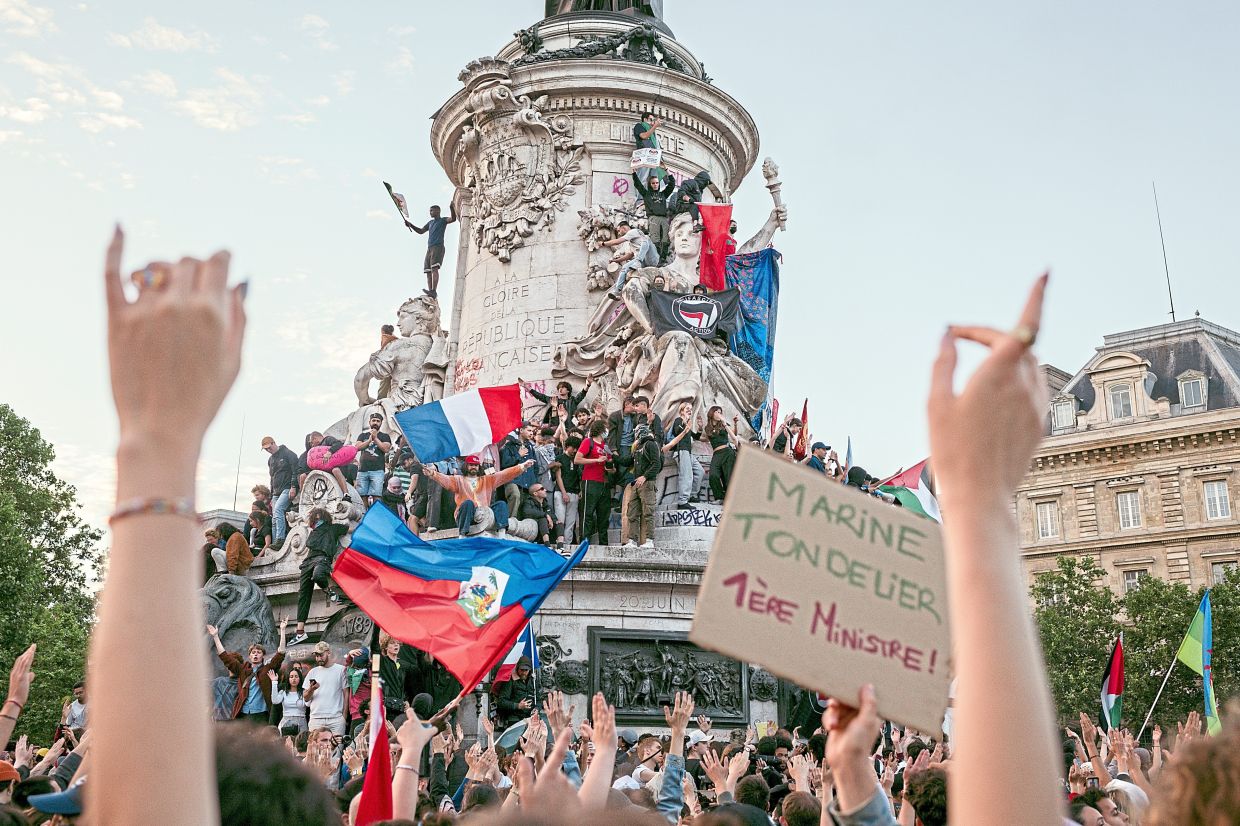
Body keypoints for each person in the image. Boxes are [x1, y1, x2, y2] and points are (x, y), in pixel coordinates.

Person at [423, 455, 533, 536]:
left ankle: (501, 533)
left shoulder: (488, 480)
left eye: (476, 465)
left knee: (501, 504)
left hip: (484, 514)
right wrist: (433, 474)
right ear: (466, 466)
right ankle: (462, 534)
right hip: (466, 515)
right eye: (471, 465)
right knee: (468, 503)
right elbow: (446, 480)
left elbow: (505, 474)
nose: (473, 467)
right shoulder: (458, 480)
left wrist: (522, 467)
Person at [208, 617, 288, 723]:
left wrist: (282, 630)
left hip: (262, 714)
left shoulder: (268, 669)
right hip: (244, 713)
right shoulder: (243, 670)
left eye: (258, 652)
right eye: (253, 652)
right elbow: (225, 657)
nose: (255, 654)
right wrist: (215, 637)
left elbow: (281, 653)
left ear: (263, 656)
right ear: (249, 656)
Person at [289, 507, 347, 647]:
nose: (312, 518)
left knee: (318, 575)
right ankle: (300, 631)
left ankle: (329, 592)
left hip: (322, 558)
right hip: (308, 561)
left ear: (320, 515)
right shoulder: (314, 531)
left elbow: (347, 528)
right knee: (303, 594)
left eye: (314, 515)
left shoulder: (333, 528)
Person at [405, 201, 458, 298]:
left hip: (438, 247)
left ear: (438, 211)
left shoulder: (442, 220)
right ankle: (430, 291)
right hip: (429, 248)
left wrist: (452, 208)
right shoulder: (430, 223)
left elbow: (453, 219)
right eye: (430, 211)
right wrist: (410, 225)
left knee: (434, 268)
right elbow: (421, 231)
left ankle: (434, 290)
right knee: (428, 270)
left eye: (432, 211)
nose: (430, 212)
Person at [576, 419, 613, 546]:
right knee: (588, 513)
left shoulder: (606, 446)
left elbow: (611, 469)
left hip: (604, 483)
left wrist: (610, 466)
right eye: (605, 428)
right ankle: (584, 542)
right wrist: (596, 460)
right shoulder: (588, 442)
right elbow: (577, 459)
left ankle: (604, 543)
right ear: (600, 429)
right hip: (590, 481)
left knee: (603, 515)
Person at [625, 423, 661, 549]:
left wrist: (645, 476)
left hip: (647, 483)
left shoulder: (651, 444)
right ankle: (632, 540)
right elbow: (628, 462)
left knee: (648, 512)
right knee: (632, 512)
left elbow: (657, 464)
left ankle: (650, 540)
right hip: (637, 483)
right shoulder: (637, 447)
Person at [603, 220, 660, 298]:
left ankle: (638, 262)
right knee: (624, 268)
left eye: (619, 231)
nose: (619, 233)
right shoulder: (631, 242)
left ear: (623, 228)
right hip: (642, 261)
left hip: (651, 258)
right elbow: (629, 255)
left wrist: (603, 243)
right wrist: (615, 260)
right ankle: (617, 291)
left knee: (646, 239)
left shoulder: (634, 231)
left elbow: (616, 242)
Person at [261, 436, 299, 548]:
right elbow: (272, 478)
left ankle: (280, 539)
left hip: (287, 488)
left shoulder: (288, 453)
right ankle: (274, 543)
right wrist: (271, 496)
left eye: (269, 447)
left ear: (273, 443)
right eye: (266, 449)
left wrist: (293, 486)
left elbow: (295, 470)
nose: (268, 450)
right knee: (274, 518)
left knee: (278, 510)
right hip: (276, 492)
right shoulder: (270, 460)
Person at [303, 641, 349, 736]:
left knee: (338, 749)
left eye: (321, 655)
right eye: (316, 656)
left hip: (336, 718)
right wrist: (311, 689)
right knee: (315, 749)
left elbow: (346, 694)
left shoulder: (341, 670)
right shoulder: (312, 672)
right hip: (316, 718)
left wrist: (344, 716)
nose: (319, 658)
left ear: (328, 652)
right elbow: (305, 698)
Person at [664, 401, 703, 509]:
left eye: (691, 409)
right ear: (681, 411)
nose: (690, 411)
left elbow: (696, 437)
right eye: (687, 409)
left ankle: (692, 495)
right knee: (686, 476)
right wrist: (685, 422)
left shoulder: (687, 424)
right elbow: (677, 431)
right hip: (681, 451)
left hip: (688, 452)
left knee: (700, 471)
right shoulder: (678, 420)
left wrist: (699, 428)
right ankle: (682, 501)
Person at [632, 167, 676, 260]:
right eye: (653, 183)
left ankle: (663, 258)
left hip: (664, 218)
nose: (655, 185)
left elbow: (672, 184)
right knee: (655, 239)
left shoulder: (663, 194)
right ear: (650, 184)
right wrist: (634, 173)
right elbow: (638, 184)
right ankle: (655, 258)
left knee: (665, 239)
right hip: (653, 218)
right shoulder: (646, 194)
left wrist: (666, 170)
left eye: (656, 183)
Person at [353, 412, 392, 505]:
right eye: (373, 420)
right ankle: (364, 516)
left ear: (381, 423)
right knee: (362, 496)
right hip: (363, 470)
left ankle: (375, 516)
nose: (375, 422)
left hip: (378, 470)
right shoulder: (362, 435)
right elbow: (357, 447)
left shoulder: (385, 436)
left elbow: (386, 448)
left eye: (378, 421)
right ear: (369, 422)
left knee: (377, 496)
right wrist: (369, 440)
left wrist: (375, 438)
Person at [500, 424, 538, 518]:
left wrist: (533, 479)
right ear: (521, 430)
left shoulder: (530, 447)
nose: (531, 433)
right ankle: (509, 524)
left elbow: (536, 467)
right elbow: (505, 463)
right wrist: (518, 455)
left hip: (528, 483)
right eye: (529, 430)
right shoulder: (509, 446)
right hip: (513, 480)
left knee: (524, 505)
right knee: (515, 495)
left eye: (532, 431)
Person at [701, 406, 738, 502]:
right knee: (713, 475)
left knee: (728, 477)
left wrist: (733, 424)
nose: (719, 414)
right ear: (712, 413)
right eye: (717, 412)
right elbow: (705, 438)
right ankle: (719, 497)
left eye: (720, 412)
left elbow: (733, 435)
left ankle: (730, 499)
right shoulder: (707, 428)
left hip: (727, 452)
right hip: (716, 454)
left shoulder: (723, 425)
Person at [492, 657, 539, 729]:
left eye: (526, 670)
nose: (523, 672)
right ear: (517, 668)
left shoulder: (533, 681)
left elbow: (539, 698)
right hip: (514, 718)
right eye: (521, 670)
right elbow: (501, 702)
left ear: (529, 670)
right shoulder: (510, 681)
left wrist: (536, 708)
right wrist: (518, 706)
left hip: (530, 718)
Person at [523, 378, 590, 426]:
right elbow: (540, 396)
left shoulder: (573, 401)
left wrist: (587, 385)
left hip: (570, 427)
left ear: (568, 391)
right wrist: (528, 388)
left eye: (563, 387)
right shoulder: (553, 400)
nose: (560, 389)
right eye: (559, 388)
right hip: (555, 428)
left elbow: (582, 394)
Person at [553, 435, 582, 545]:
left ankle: (567, 544)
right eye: (573, 447)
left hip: (574, 492)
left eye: (576, 448)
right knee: (560, 519)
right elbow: (558, 477)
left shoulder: (577, 460)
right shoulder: (560, 458)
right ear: (567, 446)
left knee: (571, 522)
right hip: (561, 492)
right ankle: (559, 542)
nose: (574, 450)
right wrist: (564, 493)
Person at [270, 665, 309, 735]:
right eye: (291, 677)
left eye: (296, 676)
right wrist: (274, 682)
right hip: (286, 722)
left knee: (300, 743)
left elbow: (308, 703)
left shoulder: (304, 692)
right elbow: (275, 701)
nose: (294, 679)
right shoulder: (283, 692)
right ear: (288, 678)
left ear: (300, 678)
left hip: (301, 721)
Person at [632, 110, 663, 188]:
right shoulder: (639, 126)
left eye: (653, 121)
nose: (652, 122)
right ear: (645, 119)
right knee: (642, 178)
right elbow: (644, 136)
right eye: (651, 120)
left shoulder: (653, 133)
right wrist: (655, 126)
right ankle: (640, 199)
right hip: (644, 155)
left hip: (654, 157)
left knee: (654, 179)